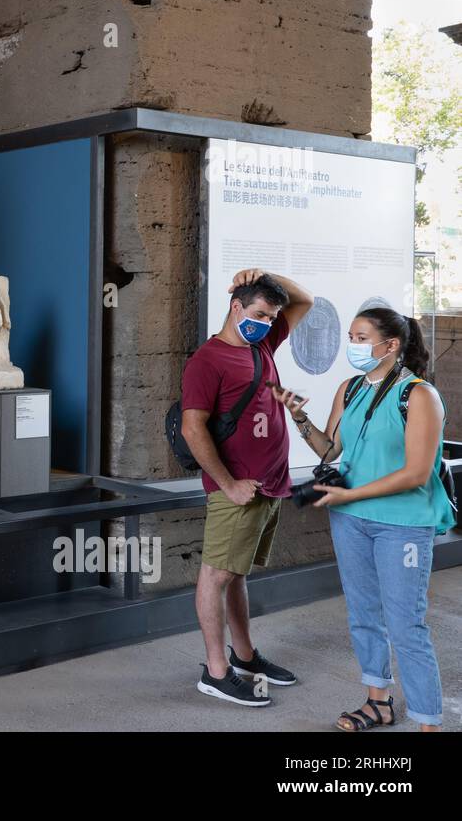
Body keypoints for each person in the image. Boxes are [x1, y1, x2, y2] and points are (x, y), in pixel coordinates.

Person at [274, 308, 455, 732]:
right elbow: (331, 450)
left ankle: (428, 723)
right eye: (351, 337)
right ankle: (378, 703)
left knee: (406, 625)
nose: (353, 346)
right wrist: (299, 417)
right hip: (350, 519)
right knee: (363, 614)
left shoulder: (419, 395)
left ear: (390, 345)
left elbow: (416, 473)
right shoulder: (350, 388)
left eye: (361, 338)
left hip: (402, 523)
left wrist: (351, 494)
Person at [181, 269, 313, 706]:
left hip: (269, 486)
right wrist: (228, 484)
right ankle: (216, 672)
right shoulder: (208, 361)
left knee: (236, 573)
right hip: (237, 491)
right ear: (235, 307)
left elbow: (305, 301)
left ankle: (245, 656)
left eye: (271, 317)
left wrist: (267, 274)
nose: (265, 323)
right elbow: (192, 428)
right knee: (216, 574)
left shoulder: (262, 345)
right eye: (258, 314)